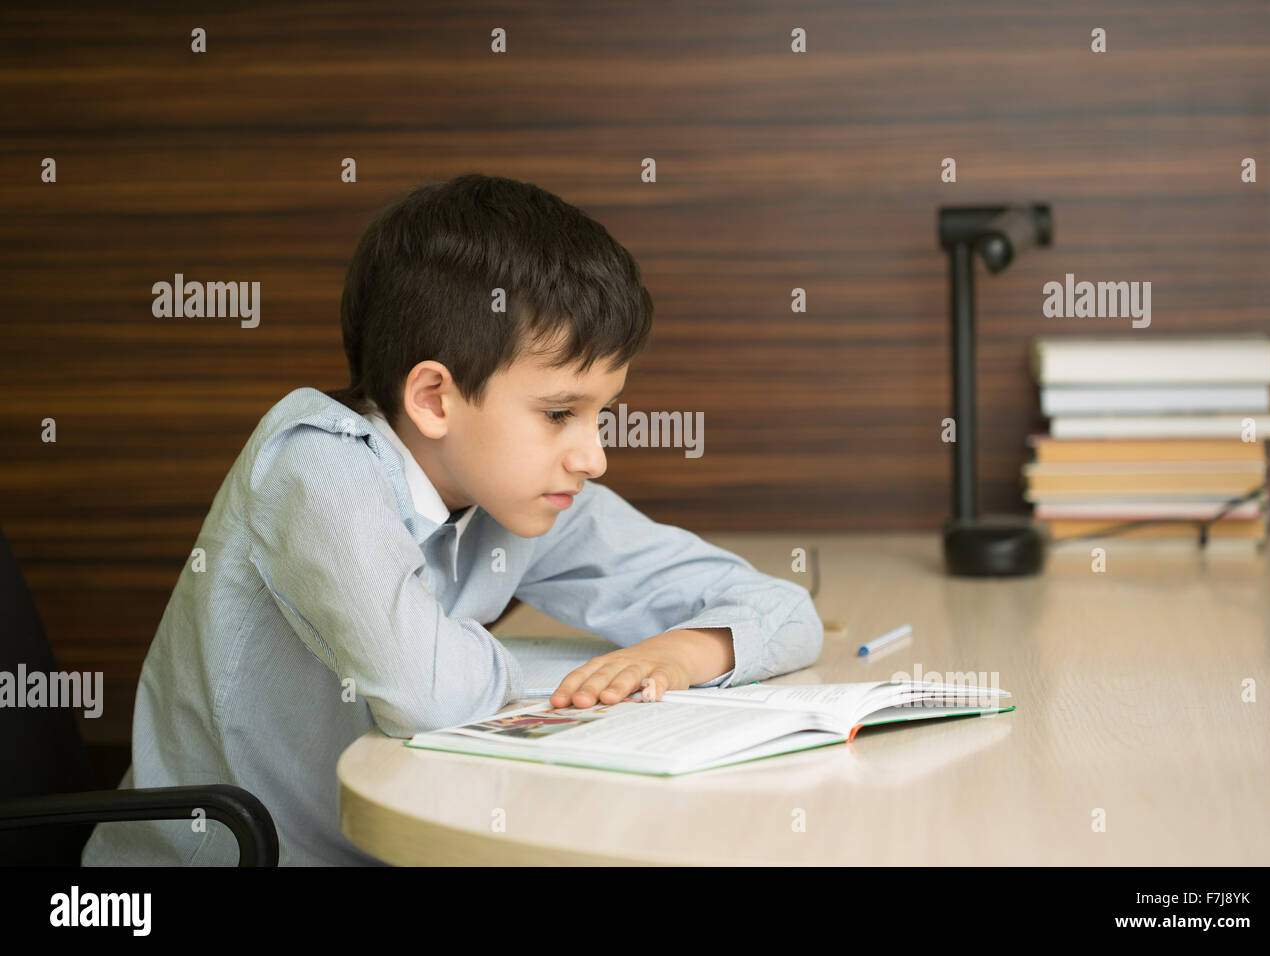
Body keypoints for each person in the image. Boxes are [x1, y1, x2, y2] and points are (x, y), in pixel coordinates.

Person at [81, 174, 823, 866]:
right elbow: (427, 695)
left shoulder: (521, 497)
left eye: (602, 414)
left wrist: (679, 657)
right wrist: (593, 677)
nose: (593, 457)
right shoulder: (315, 465)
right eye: (560, 413)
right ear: (434, 399)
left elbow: (784, 612)